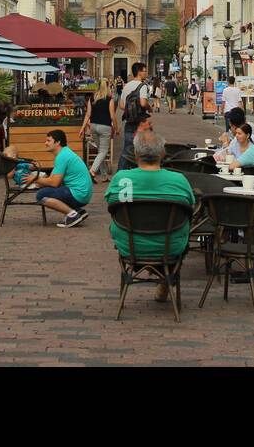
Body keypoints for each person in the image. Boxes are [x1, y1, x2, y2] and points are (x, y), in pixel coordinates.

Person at [104, 123, 195, 301]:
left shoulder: (122, 179)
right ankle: (166, 279)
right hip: (170, 245)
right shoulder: (178, 180)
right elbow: (190, 207)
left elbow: (112, 205)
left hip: (130, 244)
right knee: (177, 235)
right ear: (162, 154)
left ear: (136, 154)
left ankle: (155, 273)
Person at [23, 128, 93, 227]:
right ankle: (78, 211)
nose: (45, 143)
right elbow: (53, 179)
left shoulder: (62, 156)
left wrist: (34, 179)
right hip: (83, 194)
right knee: (48, 190)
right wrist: (41, 180)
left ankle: (72, 215)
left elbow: (54, 183)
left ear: (58, 142)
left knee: (41, 195)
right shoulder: (65, 153)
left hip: (79, 194)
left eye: (48, 141)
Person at [80, 78, 117, 184]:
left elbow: (88, 114)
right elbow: (112, 115)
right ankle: (91, 171)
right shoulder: (109, 99)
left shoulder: (92, 98)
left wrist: (82, 128)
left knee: (100, 151)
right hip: (105, 127)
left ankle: (104, 175)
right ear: (108, 87)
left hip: (93, 126)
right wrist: (116, 127)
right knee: (103, 151)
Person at [118, 63, 151, 171]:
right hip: (140, 121)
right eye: (145, 71)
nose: (146, 73)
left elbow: (121, 105)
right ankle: (142, 170)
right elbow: (142, 103)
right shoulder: (142, 85)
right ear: (139, 72)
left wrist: (130, 109)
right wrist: (149, 107)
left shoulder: (127, 85)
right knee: (144, 147)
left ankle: (120, 172)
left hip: (129, 120)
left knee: (127, 148)